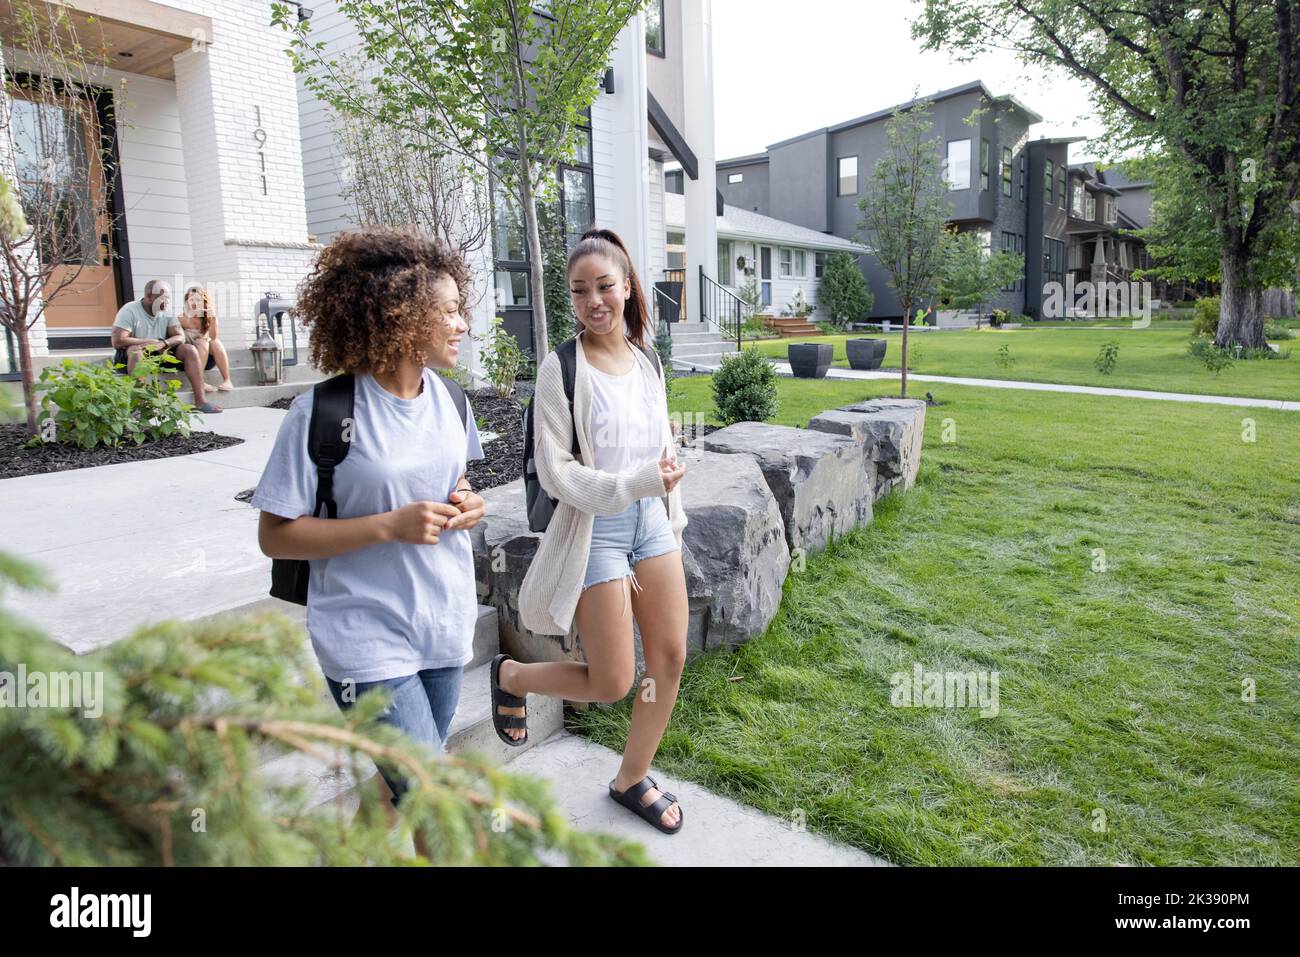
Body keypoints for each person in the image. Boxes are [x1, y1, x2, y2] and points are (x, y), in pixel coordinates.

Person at [251, 227, 486, 833]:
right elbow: (275, 535)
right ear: (402, 316)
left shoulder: (453, 403)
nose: (462, 324)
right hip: (363, 634)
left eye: (461, 309)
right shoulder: (325, 412)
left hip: (441, 618)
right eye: (450, 311)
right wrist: (387, 526)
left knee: (393, 787)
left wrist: (465, 504)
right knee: (435, 801)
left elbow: (452, 484)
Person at [500, 227, 690, 835]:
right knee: (611, 681)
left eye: (605, 286)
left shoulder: (647, 360)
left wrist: (666, 479)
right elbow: (558, 475)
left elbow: (656, 441)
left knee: (669, 658)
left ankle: (631, 777)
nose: (593, 301)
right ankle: (513, 677)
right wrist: (634, 483)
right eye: (579, 291)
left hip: (651, 522)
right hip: (595, 530)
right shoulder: (560, 369)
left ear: (628, 287)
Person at [110, 279, 223, 414]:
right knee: (136, 352)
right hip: (132, 356)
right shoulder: (129, 310)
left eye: (169, 298)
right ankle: (141, 405)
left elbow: (179, 336)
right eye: (163, 298)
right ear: (149, 297)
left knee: (189, 349)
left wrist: (163, 343)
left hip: (160, 353)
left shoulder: (167, 312)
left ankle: (200, 401)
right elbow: (118, 341)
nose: (167, 301)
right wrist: (150, 341)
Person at [178, 284, 235, 394]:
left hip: (208, 357)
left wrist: (213, 320)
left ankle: (227, 380)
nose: (195, 303)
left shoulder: (208, 316)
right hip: (191, 358)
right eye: (191, 299)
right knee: (202, 342)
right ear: (187, 301)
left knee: (215, 342)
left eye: (198, 300)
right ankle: (200, 382)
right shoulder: (182, 318)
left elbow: (213, 337)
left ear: (204, 301)